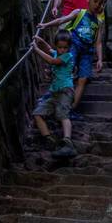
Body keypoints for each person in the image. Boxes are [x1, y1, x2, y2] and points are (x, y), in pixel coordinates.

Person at [40, 0, 106, 116]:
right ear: (89, 0)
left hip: (87, 52)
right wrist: (46, 25)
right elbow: (61, 20)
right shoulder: (79, 13)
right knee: (65, 70)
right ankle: (51, 97)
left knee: (83, 79)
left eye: (99, 2)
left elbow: (98, 42)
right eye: (95, 1)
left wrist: (99, 59)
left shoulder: (98, 22)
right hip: (74, 45)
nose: (97, 5)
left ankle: (71, 108)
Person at [31, 29, 76, 157]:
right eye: (60, 47)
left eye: (65, 48)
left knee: (63, 114)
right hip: (55, 93)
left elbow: (52, 61)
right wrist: (41, 41)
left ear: (69, 48)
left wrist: (36, 49)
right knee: (37, 114)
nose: (62, 50)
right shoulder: (57, 52)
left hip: (66, 90)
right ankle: (49, 139)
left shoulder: (68, 56)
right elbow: (49, 49)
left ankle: (67, 141)